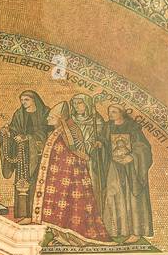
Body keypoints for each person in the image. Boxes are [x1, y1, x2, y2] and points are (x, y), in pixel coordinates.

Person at [32, 102, 110, 240]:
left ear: (60, 118)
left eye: (51, 117)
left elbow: (76, 152)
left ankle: (71, 237)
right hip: (58, 176)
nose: (47, 119)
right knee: (59, 204)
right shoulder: (58, 130)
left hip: (70, 176)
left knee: (71, 205)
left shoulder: (69, 130)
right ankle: (59, 235)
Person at [100, 104, 153, 241]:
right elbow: (104, 142)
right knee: (113, 193)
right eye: (109, 112)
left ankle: (136, 232)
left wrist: (133, 156)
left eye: (113, 112)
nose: (110, 114)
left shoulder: (133, 127)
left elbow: (144, 147)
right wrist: (100, 144)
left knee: (132, 197)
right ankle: (116, 229)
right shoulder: (107, 127)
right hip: (114, 166)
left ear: (122, 113)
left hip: (131, 169)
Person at [0, 90, 51, 221]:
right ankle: (24, 214)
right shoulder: (19, 114)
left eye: (26, 99)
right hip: (22, 154)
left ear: (34, 100)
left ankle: (39, 215)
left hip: (40, 155)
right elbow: (14, 129)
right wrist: (6, 132)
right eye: (22, 100)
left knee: (37, 182)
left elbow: (47, 132)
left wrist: (28, 137)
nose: (23, 102)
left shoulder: (45, 113)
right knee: (22, 183)